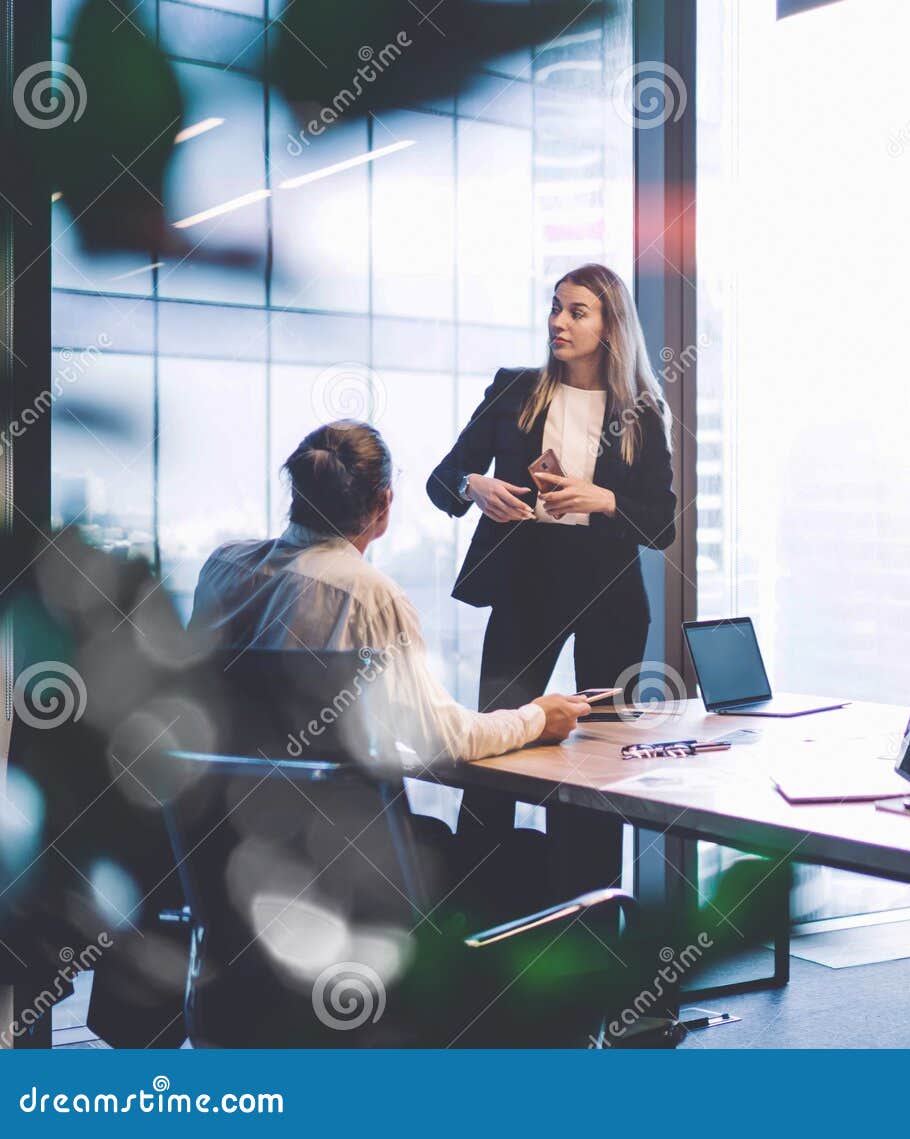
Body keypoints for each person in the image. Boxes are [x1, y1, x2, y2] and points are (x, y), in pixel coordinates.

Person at [427, 262, 677, 896]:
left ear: (610, 326)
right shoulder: (515, 389)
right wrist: (473, 485)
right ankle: (474, 905)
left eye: (577, 312)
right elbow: (443, 480)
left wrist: (605, 502)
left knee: (604, 757)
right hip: (525, 583)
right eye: (555, 307)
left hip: (610, 595)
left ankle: (591, 909)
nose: (558, 322)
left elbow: (662, 525)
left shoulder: (642, 411)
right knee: (495, 741)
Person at [190, 420, 590, 765]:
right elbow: (441, 739)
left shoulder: (222, 565)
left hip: (217, 833)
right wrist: (536, 717)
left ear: (297, 496)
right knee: (524, 849)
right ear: (384, 505)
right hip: (335, 838)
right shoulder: (368, 596)